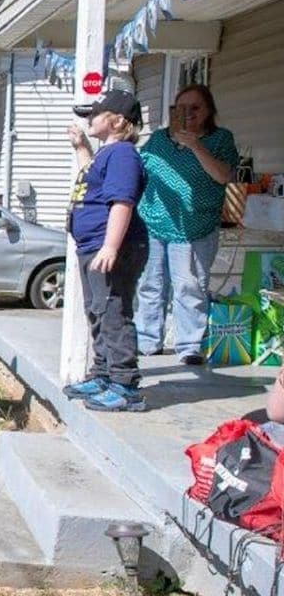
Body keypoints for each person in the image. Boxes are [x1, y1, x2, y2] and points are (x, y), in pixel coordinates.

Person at [134, 84, 239, 366]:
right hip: (153, 223)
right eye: (182, 108)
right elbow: (140, 168)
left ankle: (189, 345)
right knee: (150, 284)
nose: (188, 113)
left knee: (189, 287)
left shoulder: (220, 140)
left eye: (195, 108)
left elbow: (223, 176)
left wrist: (195, 145)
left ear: (209, 111)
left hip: (195, 228)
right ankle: (147, 341)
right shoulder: (158, 139)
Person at [62, 90, 150, 412]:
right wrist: (82, 147)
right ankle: (102, 373)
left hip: (114, 247)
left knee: (113, 311)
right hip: (93, 246)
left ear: (116, 121)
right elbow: (93, 181)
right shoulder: (106, 154)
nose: (89, 119)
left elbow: (122, 200)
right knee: (98, 310)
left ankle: (125, 385)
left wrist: (111, 246)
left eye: (95, 114)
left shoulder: (123, 155)